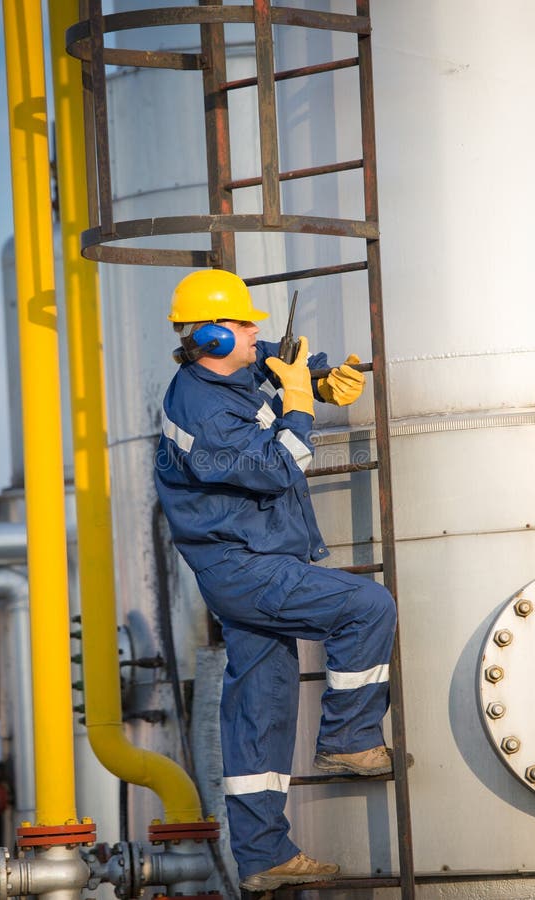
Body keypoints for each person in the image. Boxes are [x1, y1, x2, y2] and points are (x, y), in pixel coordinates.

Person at [154, 269, 397, 892]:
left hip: (256, 560)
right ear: (209, 336)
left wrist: (315, 376)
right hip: (243, 567)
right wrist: (299, 407)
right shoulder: (199, 411)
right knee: (366, 607)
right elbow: (276, 469)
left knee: (260, 707)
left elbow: (278, 357)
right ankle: (348, 740)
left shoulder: (231, 364)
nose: (255, 329)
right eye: (242, 323)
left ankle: (263, 856)